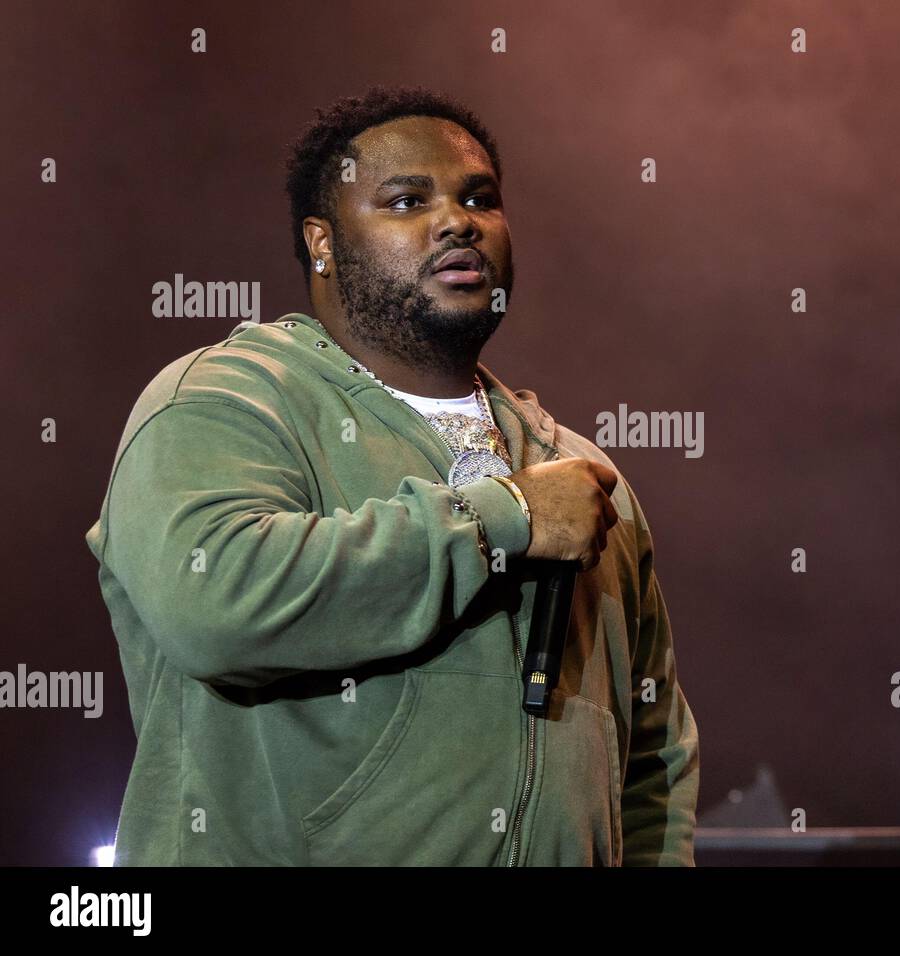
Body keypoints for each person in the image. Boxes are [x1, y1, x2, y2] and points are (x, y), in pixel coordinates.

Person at [83, 86, 700, 866]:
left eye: (480, 198)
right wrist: (501, 520)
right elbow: (216, 604)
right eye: (408, 200)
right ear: (323, 243)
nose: (458, 220)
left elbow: (654, 759)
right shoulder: (221, 400)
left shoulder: (579, 470)